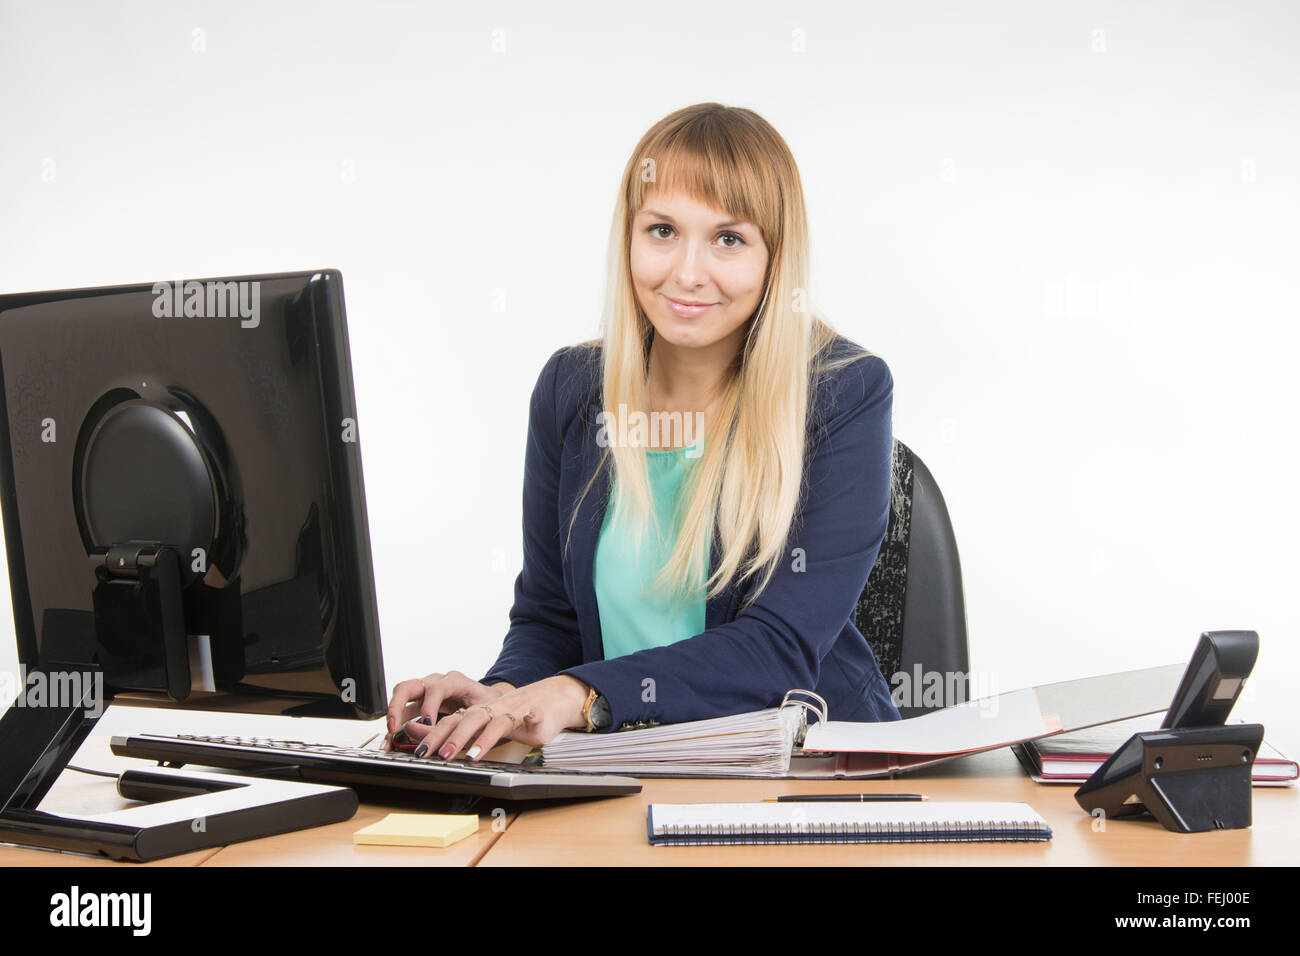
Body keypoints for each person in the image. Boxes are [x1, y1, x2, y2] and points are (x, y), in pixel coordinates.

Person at [385, 102, 900, 761]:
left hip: (809, 772)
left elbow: (780, 648)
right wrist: (505, 696)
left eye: (729, 239)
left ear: (776, 258)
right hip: (628, 766)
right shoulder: (573, 392)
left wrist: (575, 695)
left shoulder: (841, 392)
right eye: (662, 230)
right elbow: (548, 617)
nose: (687, 271)